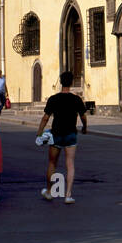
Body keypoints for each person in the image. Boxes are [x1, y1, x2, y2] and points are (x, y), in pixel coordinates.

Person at [37, 71, 87, 204]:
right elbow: (83, 116)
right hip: (71, 134)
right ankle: (68, 195)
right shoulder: (76, 99)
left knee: (52, 163)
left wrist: (40, 132)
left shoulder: (53, 99)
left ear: (60, 82)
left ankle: (49, 192)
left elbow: (45, 118)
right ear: (71, 83)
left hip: (56, 134)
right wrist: (85, 127)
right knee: (70, 164)